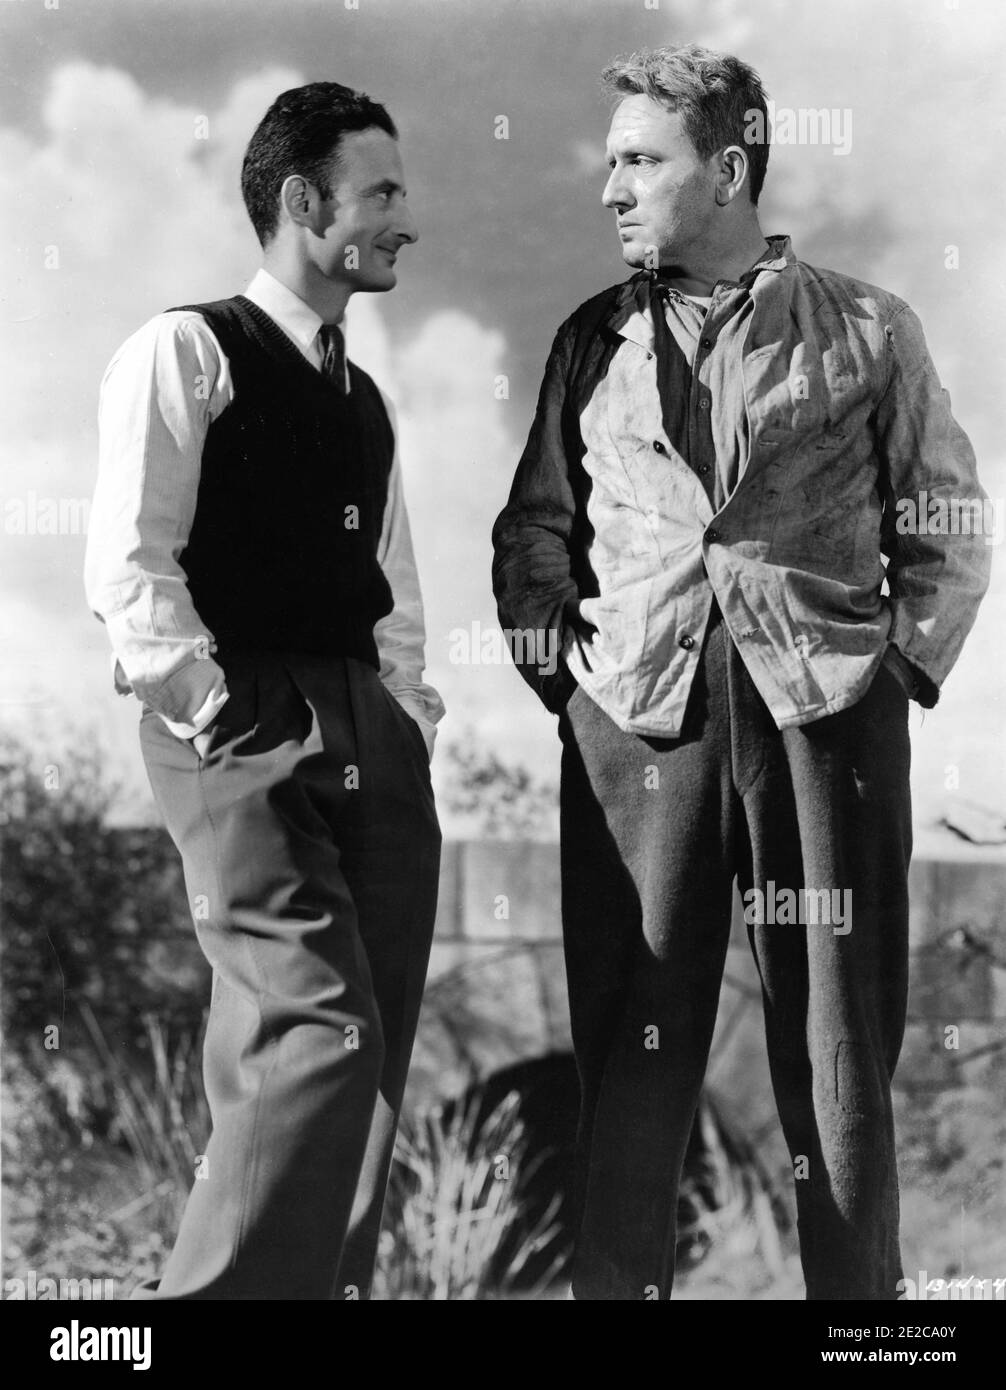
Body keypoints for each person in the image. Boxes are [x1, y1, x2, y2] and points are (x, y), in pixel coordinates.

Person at [491, 43, 990, 1300]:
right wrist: (577, 692)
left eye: (638, 163)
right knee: (631, 1049)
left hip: (822, 723)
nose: (609, 188)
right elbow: (532, 537)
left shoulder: (869, 325)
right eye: (608, 162)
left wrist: (894, 682)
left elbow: (947, 521)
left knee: (836, 1048)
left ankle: (861, 1326)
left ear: (726, 168)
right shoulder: (586, 339)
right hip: (637, 730)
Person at [85, 81, 443, 1300]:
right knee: (315, 1033)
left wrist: (404, 724)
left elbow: (393, 592)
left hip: (365, 730)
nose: (406, 218)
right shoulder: (186, 349)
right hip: (246, 720)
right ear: (305, 200)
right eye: (382, 191)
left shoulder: (369, 399)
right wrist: (214, 707)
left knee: (368, 1047)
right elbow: (129, 563)